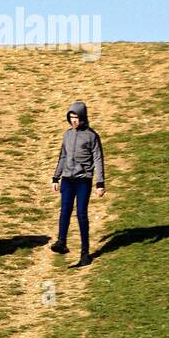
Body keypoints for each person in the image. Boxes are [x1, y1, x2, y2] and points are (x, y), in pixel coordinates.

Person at [50, 101, 106, 267]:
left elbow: (98, 159)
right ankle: (61, 242)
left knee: (81, 214)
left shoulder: (92, 136)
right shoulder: (67, 135)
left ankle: (85, 254)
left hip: (83, 180)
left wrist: (100, 183)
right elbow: (63, 156)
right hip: (67, 179)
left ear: (83, 117)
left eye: (76, 117)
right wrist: (56, 178)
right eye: (71, 117)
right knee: (65, 211)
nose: (74, 120)